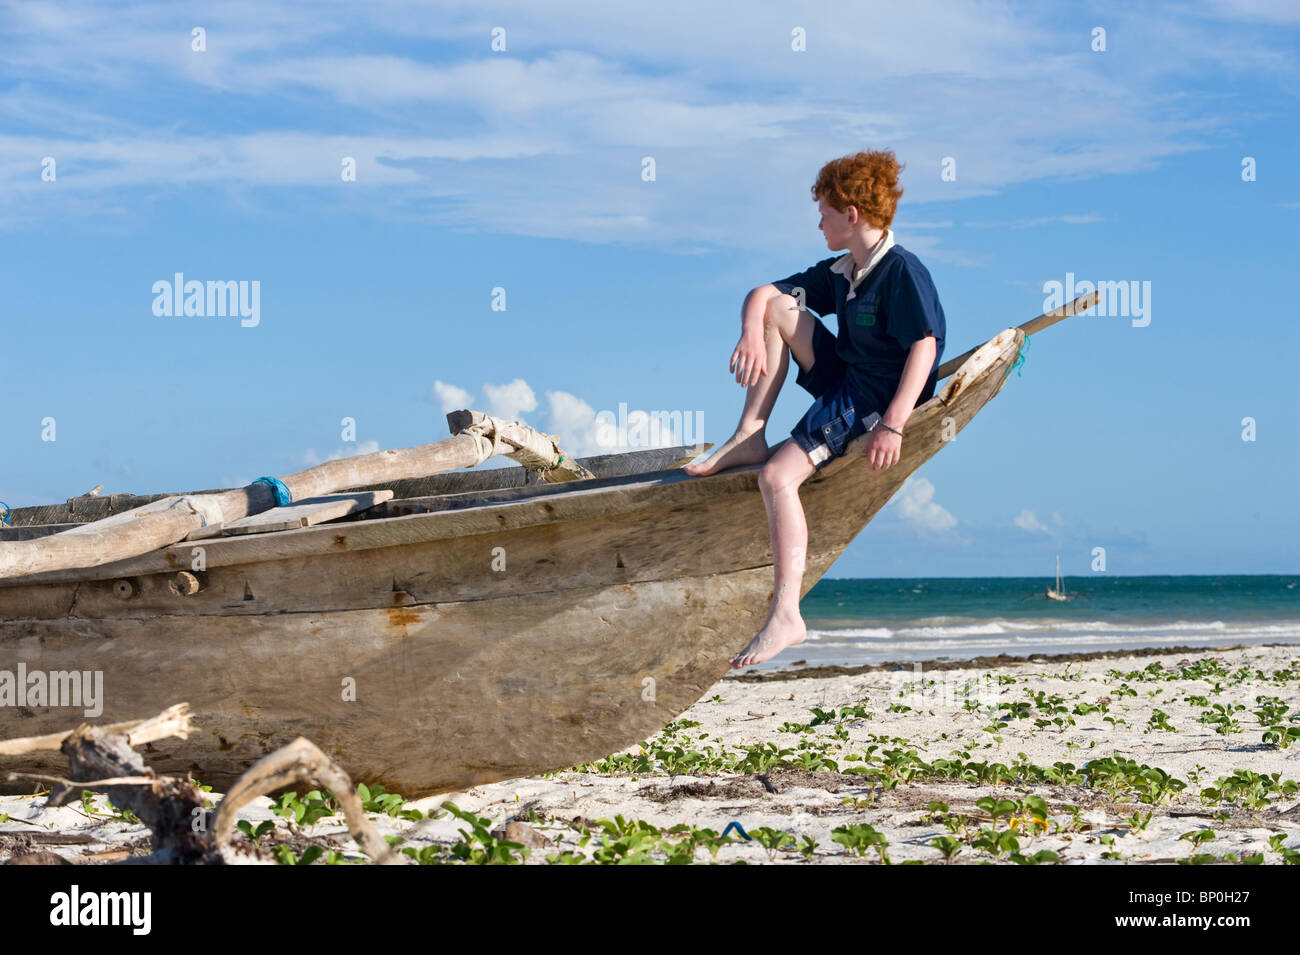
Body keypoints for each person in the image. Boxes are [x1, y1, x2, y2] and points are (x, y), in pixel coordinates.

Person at [684, 150, 946, 668]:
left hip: (871, 402)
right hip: (846, 378)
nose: (818, 221)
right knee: (779, 307)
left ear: (851, 215)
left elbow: (926, 345)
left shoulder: (900, 271)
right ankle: (750, 433)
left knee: (777, 479)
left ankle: (787, 615)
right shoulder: (844, 270)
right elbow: (766, 293)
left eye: (825, 212)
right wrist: (750, 333)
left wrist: (893, 424)